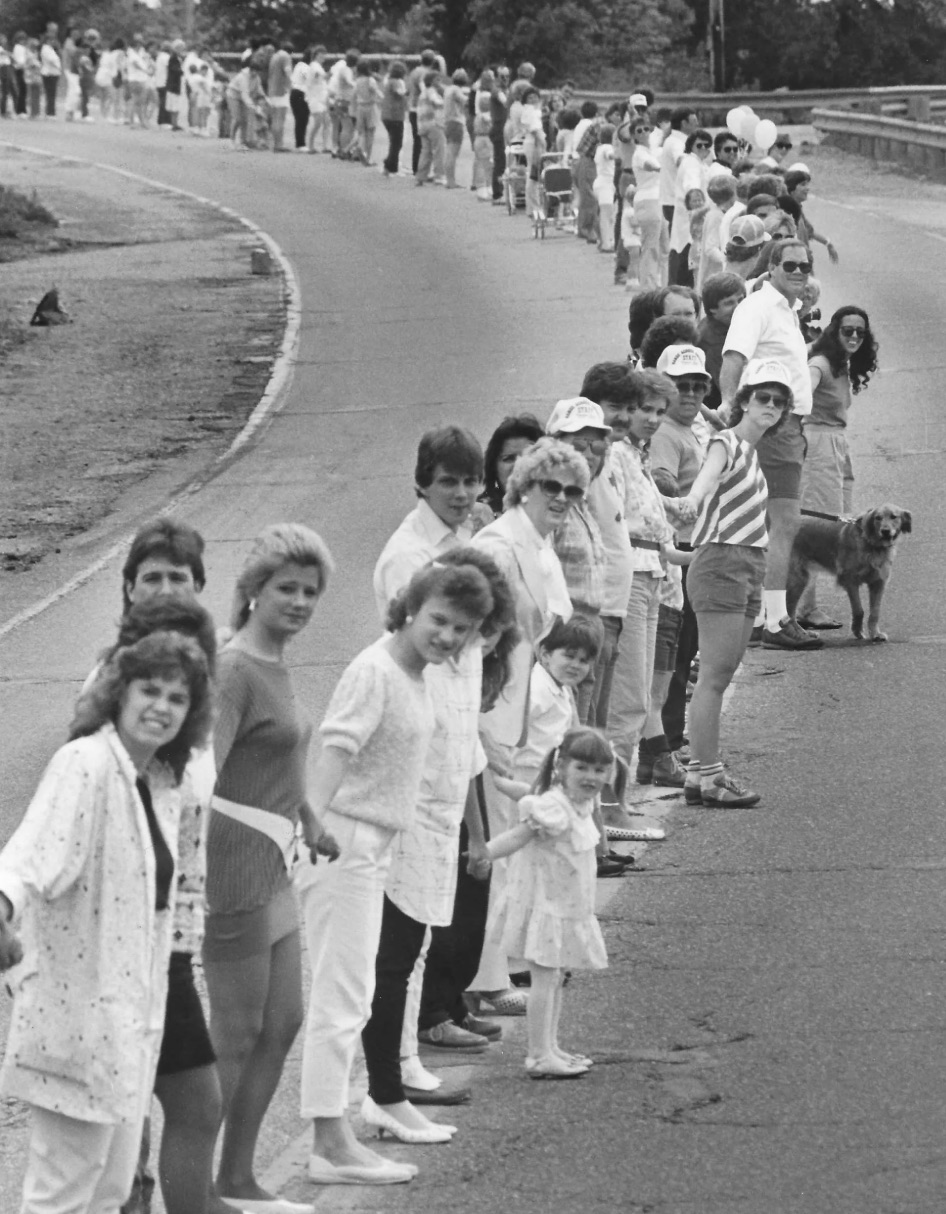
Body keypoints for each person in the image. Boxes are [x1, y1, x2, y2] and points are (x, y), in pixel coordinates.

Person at [0, 631, 212, 1214]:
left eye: (177, 698)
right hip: (75, 1022)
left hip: (131, 1026)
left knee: (110, 1191)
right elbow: (29, 854)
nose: (162, 707)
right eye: (150, 690)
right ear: (118, 694)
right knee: (61, 1195)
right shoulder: (85, 764)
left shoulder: (163, 781)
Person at [298, 562, 493, 1179]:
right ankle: (330, 1146)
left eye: (461, 629)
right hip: (343, 840)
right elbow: (334, 751)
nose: (447, 636)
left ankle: (377, 1107)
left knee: (357, 992)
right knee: (341, 996)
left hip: (377, 841)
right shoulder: (375, 670)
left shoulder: (418, 675)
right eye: (438, 620)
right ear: (409, 607)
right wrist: (311, 827)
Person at [203, 524, 337, 1213]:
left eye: (311, 592)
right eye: (287, 588)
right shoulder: (233, 670)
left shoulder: (273, 662)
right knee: (234, 1035)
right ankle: (192, 1188)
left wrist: (309, 819)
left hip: (276, 864)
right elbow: (204, 777)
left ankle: (237, 1177)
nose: (301, 602)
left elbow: (272, 762)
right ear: (253, 590)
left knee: (281, 1024)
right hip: (235, 871)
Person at [469, 438, 586, 1010]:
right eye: (551, 487)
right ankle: (485, 979)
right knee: (497, 845)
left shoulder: (541, 543)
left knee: (519, 849)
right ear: (522, 486)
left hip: (533, 716)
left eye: (572, 490)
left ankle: (500, 968)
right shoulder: (498, 544)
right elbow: (475, 633)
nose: (562, 498)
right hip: (497, 714)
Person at [678, 360, 796, 806]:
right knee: (714, 675)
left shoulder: (753, 456)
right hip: (723, 561)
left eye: (779, 401)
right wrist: (691, 500)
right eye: (762, 397)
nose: (771, 406)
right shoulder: (725, 443)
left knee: (722, 675)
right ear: (744, 401)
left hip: (749, 563)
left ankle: (696, 773)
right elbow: (707, 478)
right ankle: (711, 777)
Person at [481, 727, 611, 1078]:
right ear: (562, 767)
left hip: (568, 909)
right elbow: (517, 836)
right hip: (548, 910)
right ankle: (538, 1055)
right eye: (582, 768)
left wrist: (500, 779)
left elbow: (523, 792)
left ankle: (551, 1046)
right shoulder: (553, 806)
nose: (591, 777)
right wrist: (484, 854)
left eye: (599, 770)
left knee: (555, 979)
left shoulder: (576, 801)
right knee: (544, 980)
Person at [720, 239, 823, 651]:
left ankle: (765, 614)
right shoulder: (759, 307)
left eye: (805, 265)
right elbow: (733, 359)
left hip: (787, 424)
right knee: (784, 523)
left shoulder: (785, 310)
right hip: (775, 423)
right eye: (791, 265)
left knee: (770, 523)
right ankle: (776, 620)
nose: (799, 272)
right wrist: (732, 410)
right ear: (774, 266)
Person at [648, 345, 712, 774]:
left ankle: (671, 735)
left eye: (697, 385)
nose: (689, 394)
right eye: (680, 386)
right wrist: (690, 500)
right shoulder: (666, 433)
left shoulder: (695, 425)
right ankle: (665, 740)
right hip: (679, 554)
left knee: (686, 649)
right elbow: (662, 481)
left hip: (697, 549)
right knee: (673, 651)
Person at [796, 307, 878, 629]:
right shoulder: (820, 364)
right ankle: (804, 609)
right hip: (818, 446)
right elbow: (799, 394)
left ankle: (804, 607)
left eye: (860, 331)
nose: (854, 336)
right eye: (847, 331)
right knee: (818, 524)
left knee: (836, 521)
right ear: (835, 331)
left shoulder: (841, 362)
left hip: (836, 445)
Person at [374, 425, 484, 618]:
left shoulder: (464, 529)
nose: (461, 494)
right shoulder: (408, 558)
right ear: (423, 485)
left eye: (469, 482)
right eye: (448, 482)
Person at [659, 107, 699, 281]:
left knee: (680, 243)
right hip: (676, 201)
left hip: (673, 200)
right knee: (680, 244)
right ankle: (676, 282)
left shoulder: (674, 140)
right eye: (694, 121)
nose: (697, 124)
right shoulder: (676, 142)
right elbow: (680, 159)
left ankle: (677, 281)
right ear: (684, 123)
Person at [697, 271, 747, 410]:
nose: (738, 307)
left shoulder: (721, 325)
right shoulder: (714, 341)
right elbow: (730, 388)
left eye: (741, 300)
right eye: (729, 303)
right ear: (712, 309)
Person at [669, 129, 713, 286]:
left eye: (707, 145)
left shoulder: (698, 163)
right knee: (688, 259)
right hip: (693, 218)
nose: (703, 148)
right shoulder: (691, 163)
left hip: (690, 218)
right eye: (699, 145)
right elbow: (692, 187)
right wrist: (701, 207)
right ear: (691, 146)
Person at [479, 414, 545, 518]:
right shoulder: (479, 513)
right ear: (494, 467)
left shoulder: (557, 507)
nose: (518, 465)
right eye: (509, 458)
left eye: (526, 456)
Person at [628, 115, 665, 290]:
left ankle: (662, 283)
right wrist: (662, 169)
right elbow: (649, 165)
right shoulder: (639, 154)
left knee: (664, 246)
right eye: (639, 130)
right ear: (634, 136)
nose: (643, 132)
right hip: (647, 201)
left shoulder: (653, 149)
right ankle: (647, 287)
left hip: (658, 199)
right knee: (650, 247)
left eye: (645, 129)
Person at [783, 169, 838, 263]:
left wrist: (828, 244)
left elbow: (809, 231)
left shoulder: (797, 209)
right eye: (803, 184)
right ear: (791, 189)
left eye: (807, 184)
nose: (807, 188)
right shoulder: (786, 212)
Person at [407, 48, 437, 174]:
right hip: (421, 109)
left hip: (412, 107)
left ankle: (416, 168)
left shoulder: (414, 71)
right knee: (423, 142)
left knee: (417, 140)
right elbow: (423, 87)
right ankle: (420, 169)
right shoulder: (425, 73)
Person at [414, 70, 445, 186]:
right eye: (437, 80)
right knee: (439, 150)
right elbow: (436, 101)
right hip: (434, 124)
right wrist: (445, 101)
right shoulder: (432, 91)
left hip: (422, 124)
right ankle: (439, 176)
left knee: (425, 152)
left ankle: (421, 176)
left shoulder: (422, 93)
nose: (440, 82)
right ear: (431, 81)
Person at [351, 58, 382, 165]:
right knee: (370, 133)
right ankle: (368, 157)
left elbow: (354, 95)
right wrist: (382, 98)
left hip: (360, 107)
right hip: (370, 107)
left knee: (361, 132)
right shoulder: (370, 80)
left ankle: (359, 148)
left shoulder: (357, 81)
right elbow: (376, 91)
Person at [327, 48, 358, 157]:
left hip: (339, 100)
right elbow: (350, 82)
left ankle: (338, 148)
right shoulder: (347, 70)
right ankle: (344, 150)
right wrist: (358, 85)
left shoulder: (343, 69)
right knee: (347, 127)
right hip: (344, 101)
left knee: (342, 126)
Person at [380, 59, 407, 174]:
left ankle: (389, 163)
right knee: (397, 142)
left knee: (394, 141)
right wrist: (408, 91)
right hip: (395, 115)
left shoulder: (388, 80)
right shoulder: (396, 82)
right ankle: (390, 166)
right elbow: (400, 92)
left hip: (386, 115)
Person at [443, 68, 469, 188]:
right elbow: (465, 101)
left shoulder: (448, 89)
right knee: (453, 153)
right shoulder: (456, 91)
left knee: (449, 152)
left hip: (447, 122)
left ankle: (448, 179)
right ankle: (451, 181)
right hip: (456, 121)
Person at [471, 69, 494, 199]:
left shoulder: (481, 115)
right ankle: (481, 187)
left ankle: (489, 186)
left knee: (489, 163)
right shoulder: (483, 116)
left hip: (484, 139)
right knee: (482, 163)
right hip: (483, 139)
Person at [593, 123, 616, 253]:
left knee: (605, 215)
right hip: (606, 184)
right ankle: (606, 243)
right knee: (607, 215)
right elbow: (610, 155)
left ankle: (605, 241)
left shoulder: (599, 148)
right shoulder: (607, 148)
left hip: (603, 183)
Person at [489, 65, 510, 203]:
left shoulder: (505, 89)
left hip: (504, 127)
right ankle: (497, 193)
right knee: (500, 161)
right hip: (499, 128)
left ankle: (503, 190)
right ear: (497, 76)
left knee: (504, 160)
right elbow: (506, 102)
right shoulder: (497, 90)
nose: (505, 79)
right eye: (502, 76)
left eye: (507, 76)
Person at [266, 41, 292, 150]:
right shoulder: (285, 56)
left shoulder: (274, 56)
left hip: (271, 91)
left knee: (275, 118)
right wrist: (290, 86)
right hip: (281, 91)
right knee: (280, 118)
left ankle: (275, 144)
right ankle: (279, 145)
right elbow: (287, 72)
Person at [304, 45, 329, 153]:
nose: (323, 56)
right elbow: (317, 76)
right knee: (318, 122)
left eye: (324, 54)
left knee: (327, 122)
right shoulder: (314, 66)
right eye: (321, 54)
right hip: (314, 99)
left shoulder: (318, 66)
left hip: (321, 98)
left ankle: (325, 146)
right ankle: (310, 146)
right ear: (316, 55)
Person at [289, 50, 310, 149]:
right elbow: (310, 79)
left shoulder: (299, 65)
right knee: (301, 119)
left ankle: (301, 142)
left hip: (296, 93)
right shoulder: (305, 67)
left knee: (302, 119)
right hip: (300, 93)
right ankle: (300, 143)